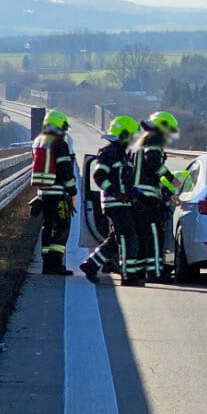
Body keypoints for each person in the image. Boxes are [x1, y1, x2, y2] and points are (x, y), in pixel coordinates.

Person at [79, 116, 145, 286]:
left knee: (116, 239)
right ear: (123, 134)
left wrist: (136, 195)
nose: (132, 140)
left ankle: (91, 265)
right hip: (115, 204)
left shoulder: (122, 154)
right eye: (130, 135)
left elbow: (125, 181)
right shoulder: (109, 153)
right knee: (128, 238)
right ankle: (128, 276)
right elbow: (99, 176)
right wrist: (116, 193)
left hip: (122, 203)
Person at [130, 111, 180, 281]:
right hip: (146, 197)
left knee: (144, 236)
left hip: (137, 196)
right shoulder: (154, 138)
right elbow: (153, 164)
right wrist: (172, 179)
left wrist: (167, 192)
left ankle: (141, 271)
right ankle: (154, 273)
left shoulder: (142, 138)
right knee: (154, 234)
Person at [29, 109, 77, 276]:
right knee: (61, 227)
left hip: (43, 192)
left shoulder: (38, 141)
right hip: (58, 193)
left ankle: (47, 265)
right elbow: (65, 170)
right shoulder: (59, 143)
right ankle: (55, 264)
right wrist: (72, 191)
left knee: (47, 226)